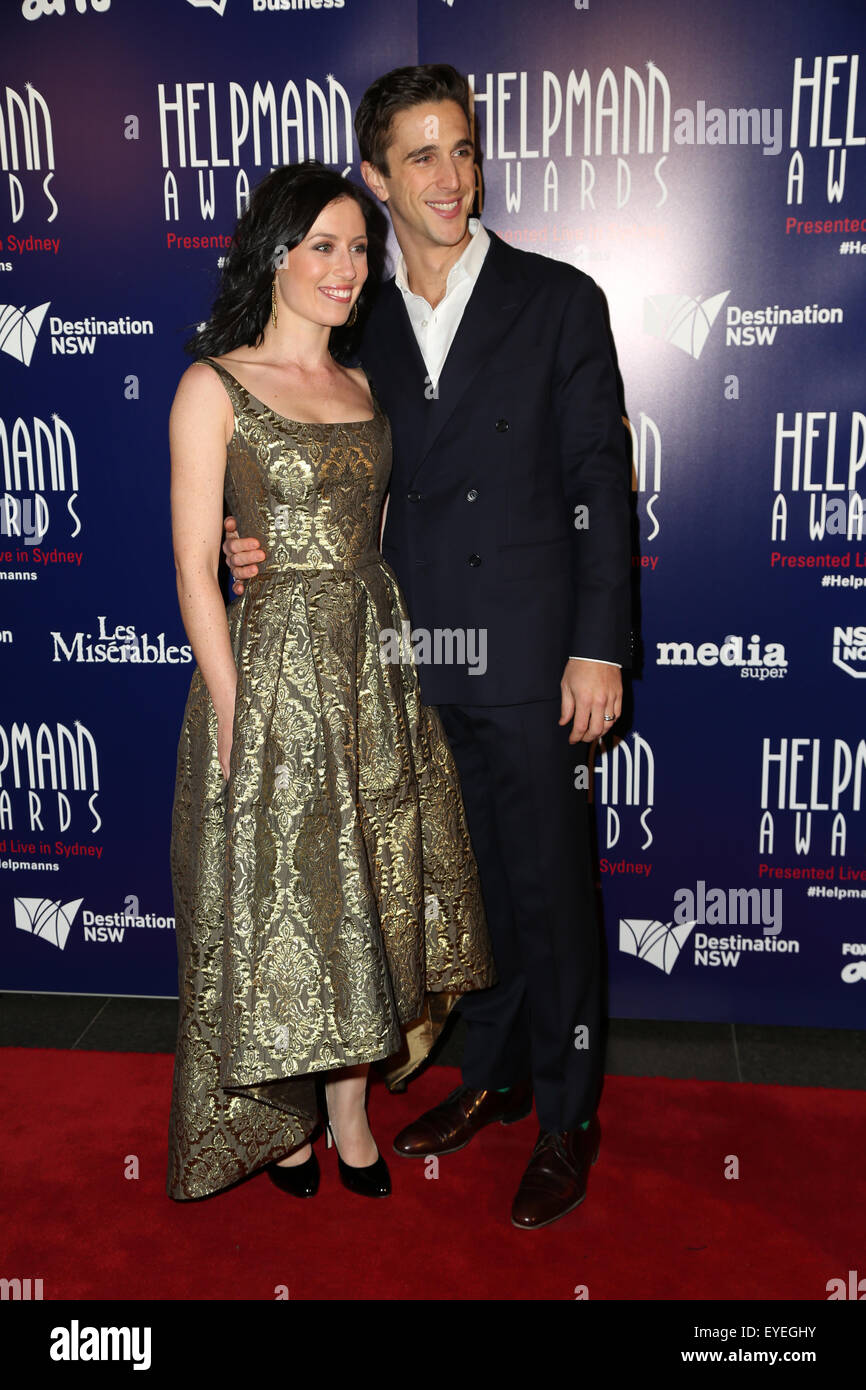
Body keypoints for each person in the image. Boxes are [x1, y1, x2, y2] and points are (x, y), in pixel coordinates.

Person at [223, 65, 632, 1230]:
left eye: (461, 149)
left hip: (533, 652)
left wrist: (596, 645)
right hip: (405, 663)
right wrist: (241, 543)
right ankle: (492, 1077)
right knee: (465, 891)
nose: (448, 175)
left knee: (551, 893)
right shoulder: (356, 320)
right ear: (375, 177)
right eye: (419, 155)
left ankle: (566, 1115)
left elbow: (599, 477)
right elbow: (304, 461)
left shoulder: (556, 297)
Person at [166, 159, 494, 1204]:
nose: (348, 267)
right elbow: (194, 569)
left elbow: (376, 543)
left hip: (370, 667)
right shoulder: (211, 385)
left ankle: (348, 1105)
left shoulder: (365, 386)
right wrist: (233, 713)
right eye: (324, 246)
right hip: (268, 677)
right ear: (274, 255)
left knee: (365, 890)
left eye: (358, 247)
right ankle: (284, 1116)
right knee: (285, 898)